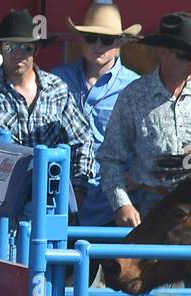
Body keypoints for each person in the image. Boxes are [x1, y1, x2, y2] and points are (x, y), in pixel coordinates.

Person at [97, 12, 191, 229]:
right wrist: (122, 204)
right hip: (151, 212)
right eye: (186, 56)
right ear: (163, 52)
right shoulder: (134, 95)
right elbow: (109, 158)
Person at [0, 10, 96, 196]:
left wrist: (78, 188)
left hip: (48, 196)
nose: (19, 54)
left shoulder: (57, 89)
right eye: (11, 46)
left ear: (37, 49)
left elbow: (82, 139)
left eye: (27, 48)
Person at [52, 2, 141, 226]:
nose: (98, 45)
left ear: (120, 42)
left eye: (107, 39)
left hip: (114, 206)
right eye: (91, 37)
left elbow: (149, 141)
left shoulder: (135, 87)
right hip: (60, 201)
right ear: (80, 39)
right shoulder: (56, 80)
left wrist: (139, 175)